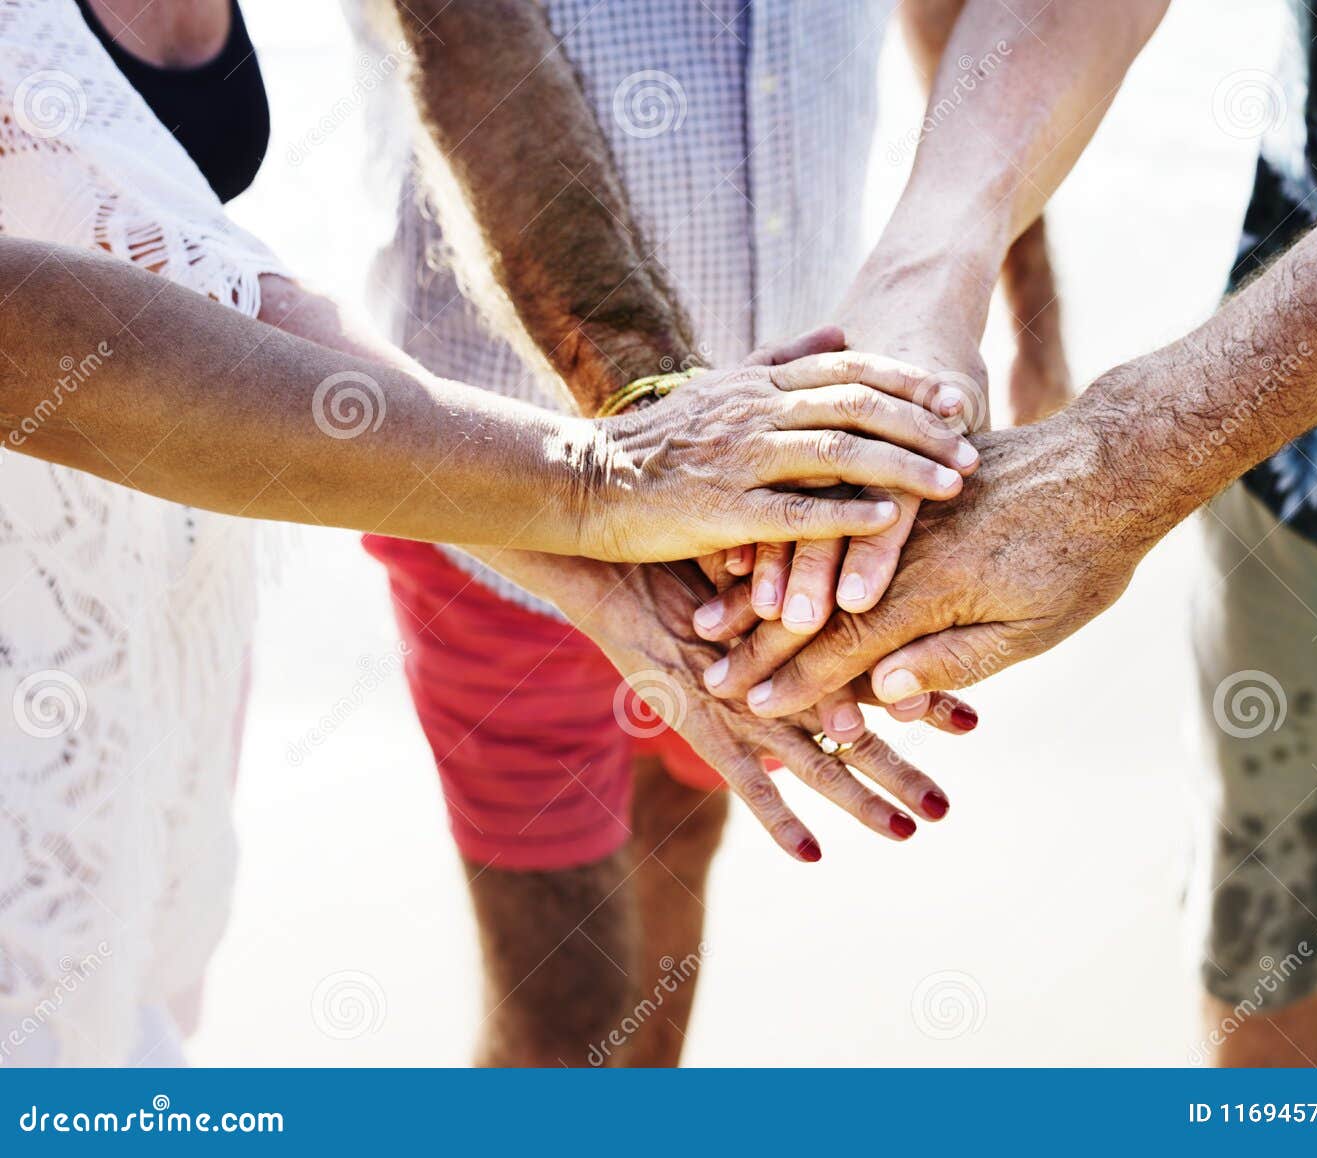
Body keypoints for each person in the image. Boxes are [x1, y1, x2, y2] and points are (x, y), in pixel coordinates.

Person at [0, 0, 967, 1065]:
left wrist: (592, 518)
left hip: (147, 624)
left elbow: (221, 289)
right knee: (569, 1011)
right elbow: (30, 335)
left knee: (120, 1003)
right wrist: (591, 477)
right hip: (45, 643)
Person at [701, 0, 1317, 1066]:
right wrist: (925, 272)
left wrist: (1129, 458)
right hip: (1296, 452)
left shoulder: (1158, 444)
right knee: (1266, 954)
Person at [346, 0, 1137, 1067]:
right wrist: (645, 427)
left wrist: (1014, 305)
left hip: (781, 495)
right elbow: (467, 37)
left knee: (683, 838)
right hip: (503, 483)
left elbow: (962, 17)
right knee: (564, 1013)